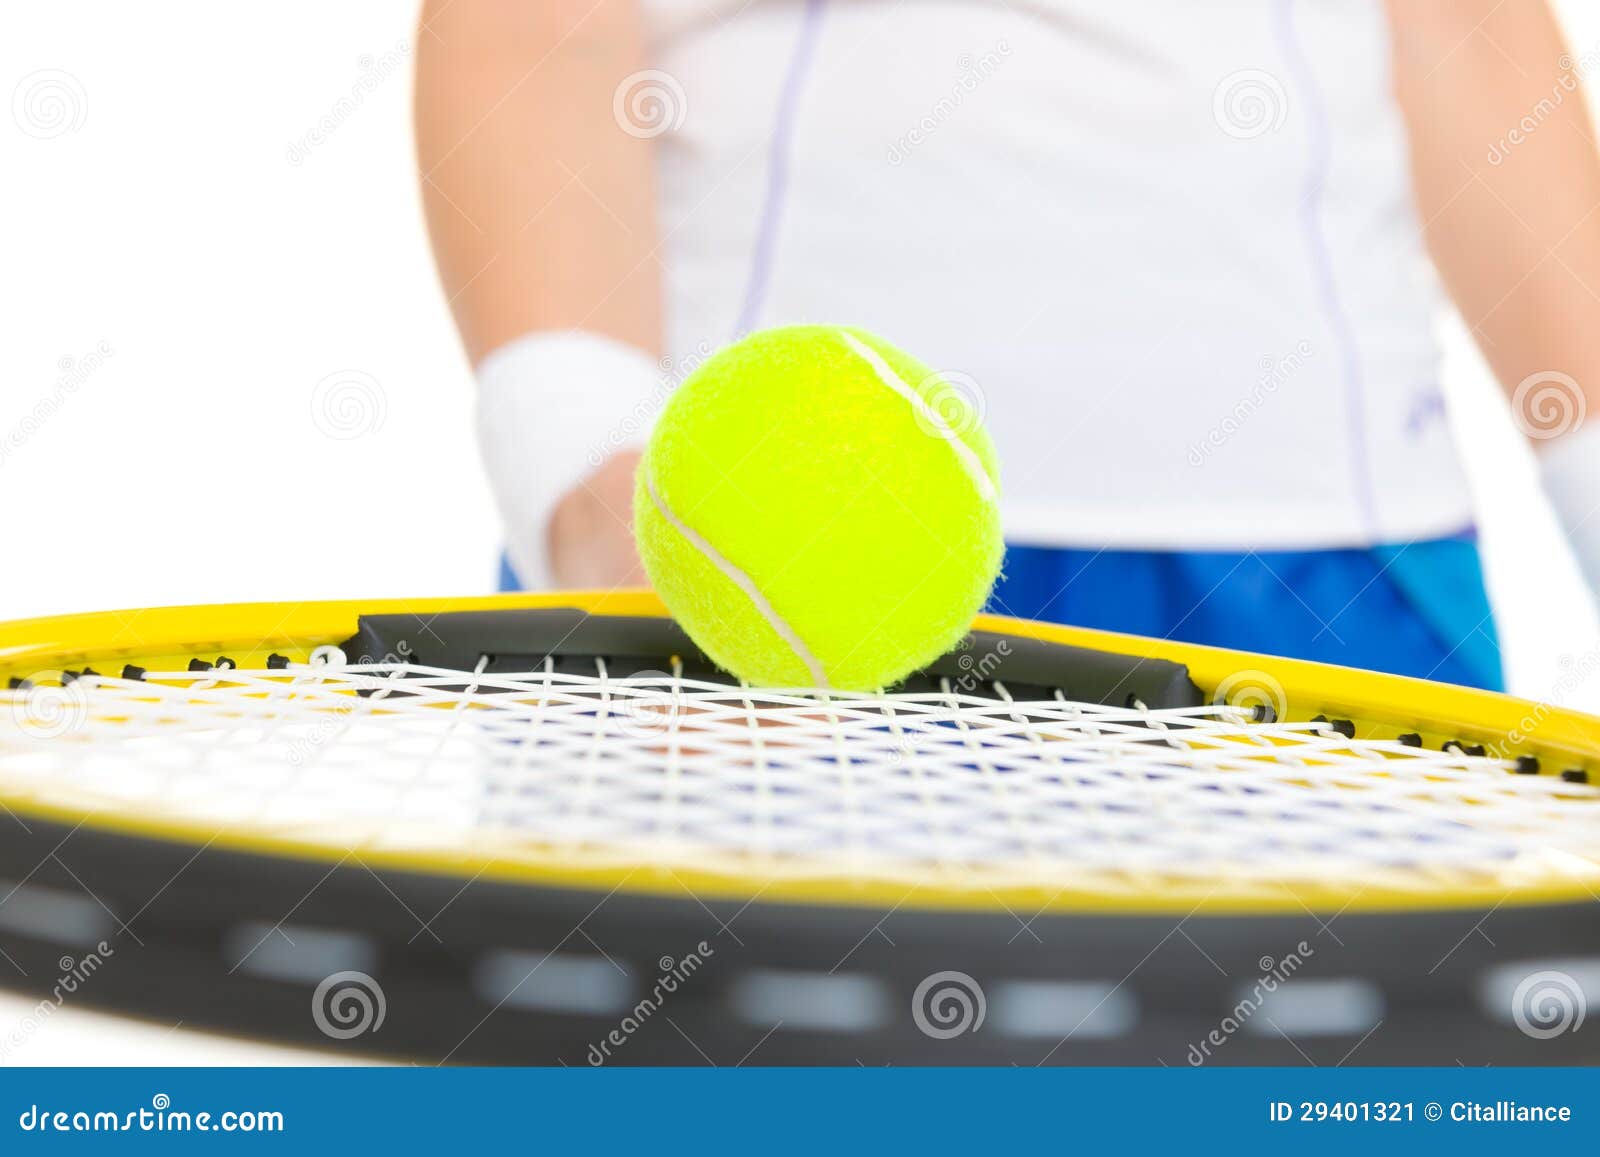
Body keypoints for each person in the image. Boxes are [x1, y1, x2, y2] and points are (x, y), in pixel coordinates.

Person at [415, 0, 1600, 691]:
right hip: (750, 576)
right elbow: (537, 28)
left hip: (1327, 568)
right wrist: (584, 473)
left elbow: (1467, 30)